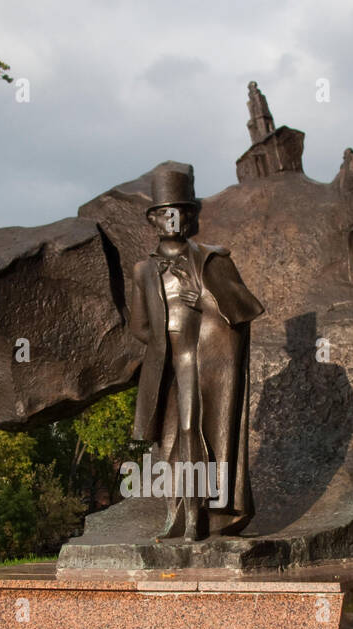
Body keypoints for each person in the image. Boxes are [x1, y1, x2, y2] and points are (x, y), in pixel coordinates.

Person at [129, 166, 264, 540]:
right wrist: (160, 342)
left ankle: (196, 518)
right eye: (164, 212)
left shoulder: (210, 260)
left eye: (180, 211)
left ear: (191, 217)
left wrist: (203, 300)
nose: (172, 218)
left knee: (192, 433)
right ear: (153, 219)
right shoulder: (143, 271)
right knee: (168, 442)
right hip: (166, 368)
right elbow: (138, 326)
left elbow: (240, 312)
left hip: (200, 363)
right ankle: (174, 516)